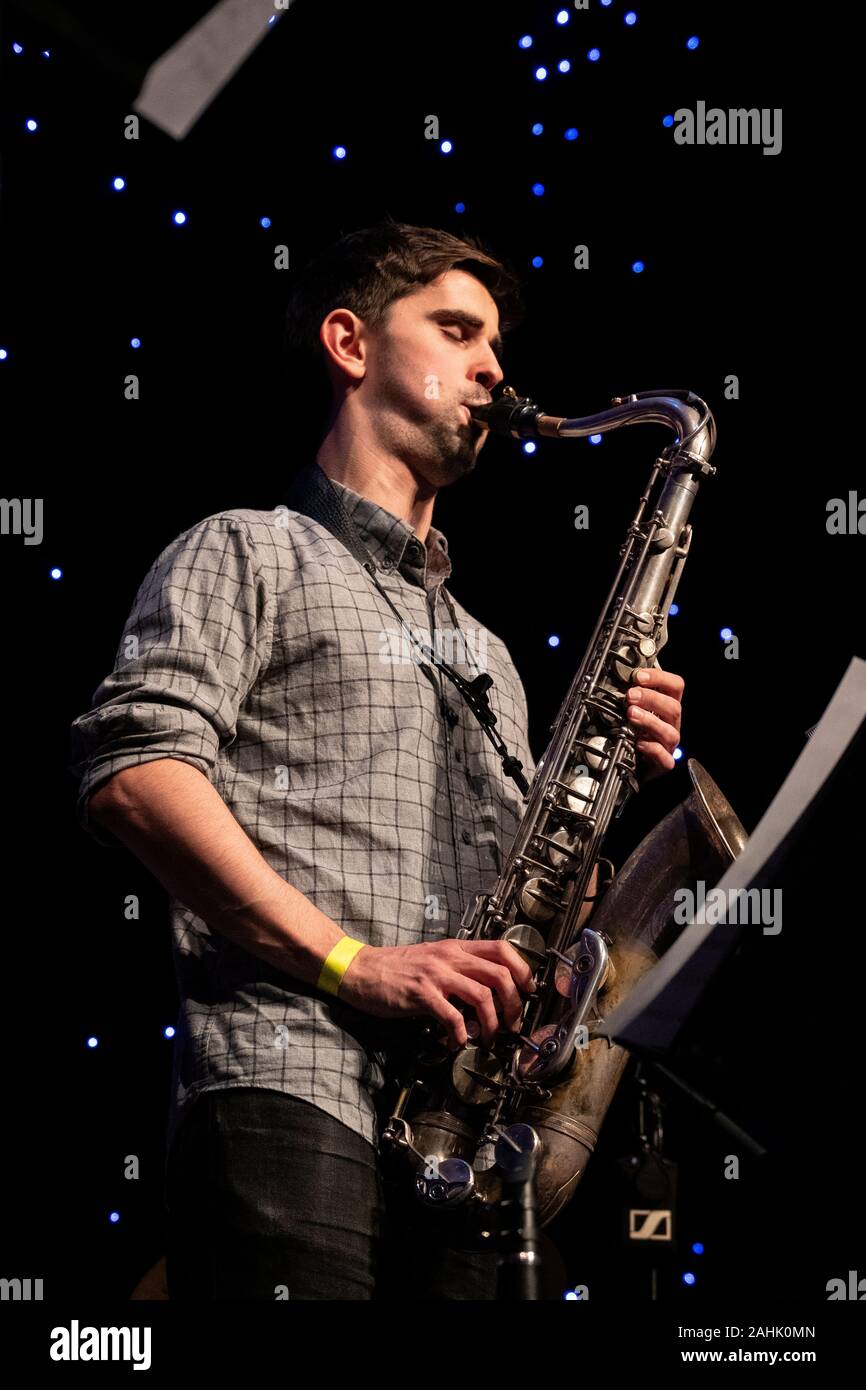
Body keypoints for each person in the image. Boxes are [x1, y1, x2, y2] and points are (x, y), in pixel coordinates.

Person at [68, 219, 684, 1300]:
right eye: (455, 330)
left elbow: (537, 904)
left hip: (467, 1139)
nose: (493, 365)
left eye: (494, 342)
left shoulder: (489, 653)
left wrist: (613, 786)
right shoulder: (246, 547)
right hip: (294, 1086)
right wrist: (357, 963)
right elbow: (137, 775)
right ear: (350, 343)